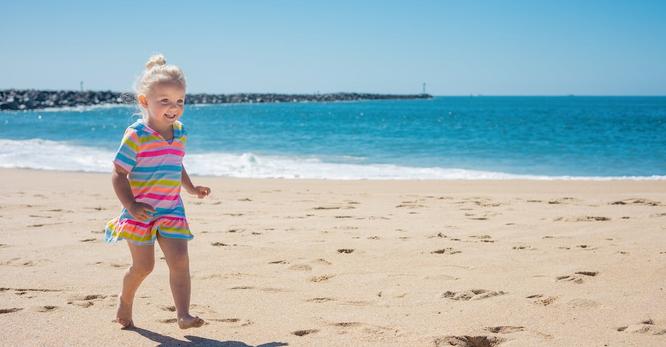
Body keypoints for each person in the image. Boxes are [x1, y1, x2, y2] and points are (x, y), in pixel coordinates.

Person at [105, 53, 211, 329]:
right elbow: (118, 174)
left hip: (171, 209)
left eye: (179, 101)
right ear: (145, 101)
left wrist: (190, 188)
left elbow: (176, 163)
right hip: (140, 211)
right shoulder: (137, 135)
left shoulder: (180, 132)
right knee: (144, 267)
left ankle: (183, 315)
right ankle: (125, 300)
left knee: (180, 262)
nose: (173, 107)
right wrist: (131, 206)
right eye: (164, 101)